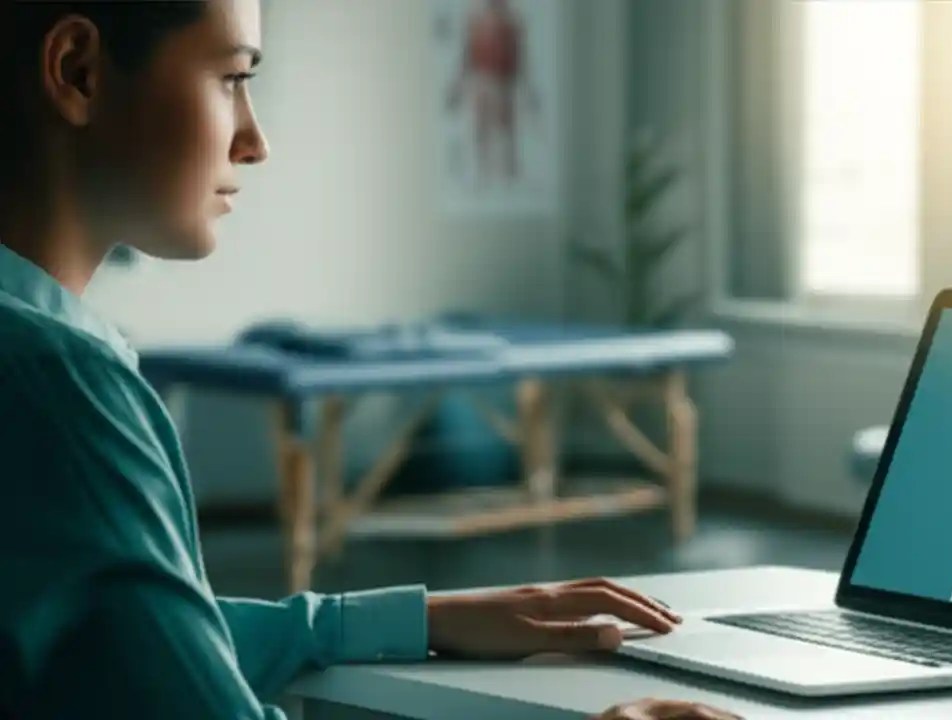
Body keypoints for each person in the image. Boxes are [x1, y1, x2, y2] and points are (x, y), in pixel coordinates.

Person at [0, 2, 740, 719]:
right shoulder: (59, 386)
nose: (254, 140)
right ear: (79, 71)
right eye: (232, 78)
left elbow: (114, 637)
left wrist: (411, 620)